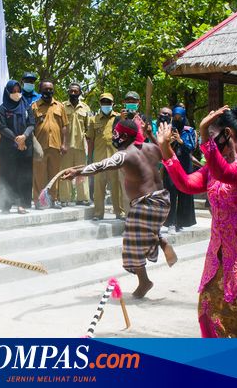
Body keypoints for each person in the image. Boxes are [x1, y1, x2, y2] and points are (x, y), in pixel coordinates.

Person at [156, 106, 237, 338]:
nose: (209, 141)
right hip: (219, 254)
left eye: (211, 135)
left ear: (226, 134)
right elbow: (187, 184)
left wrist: (201, 129)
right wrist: (164, 148)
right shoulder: (213, 167)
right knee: (209, 313)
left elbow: (226, 174)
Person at [63, 118, 177, 298]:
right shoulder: (150, 148)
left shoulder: (125, 154)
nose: (113, 136)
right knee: (143, 229)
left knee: (131, 244)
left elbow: (102, 165)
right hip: (162, 202)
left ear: (124, 136)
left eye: (115, 133)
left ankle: (144, 282)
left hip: (145, 205)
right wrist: (152, 137)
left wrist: (78, 172)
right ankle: (161, 241)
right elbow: (165, 151)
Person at [0, 80, 34, 214]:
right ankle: (6, 204)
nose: (16, 93)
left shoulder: (26, 106)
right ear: (8, 92)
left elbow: (31, 124)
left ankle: (21, 204)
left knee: (23, 176)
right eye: (13, 91)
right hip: (8, 148)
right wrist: (16, 139)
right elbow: (2, 127)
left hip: (25, 147)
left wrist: (24, 136)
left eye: (18, 90)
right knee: (7, 175)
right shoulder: (2, 108)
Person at [86, 93, 124, 220]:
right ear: (100, 104)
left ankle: (119, 212)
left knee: (116, 186)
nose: (106, 104)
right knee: (98, 187)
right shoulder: (93, 119)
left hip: (115, 158)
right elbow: (90, 140)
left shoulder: (119, 118)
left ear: (113, 103)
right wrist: (89, 159)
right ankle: (98, 213)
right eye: (103, 102)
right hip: (99, 158)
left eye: (108, 102)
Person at [31, 80, 68, 210]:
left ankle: (53, 200)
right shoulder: (34, 106)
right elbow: (31, 127)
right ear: (40, 90)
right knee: (39, 175)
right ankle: (38, 201)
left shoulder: (60, 106)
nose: (48, 91)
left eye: (51, 89)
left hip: (56, 146)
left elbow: (64, 126)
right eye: (45, 89)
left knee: (54, 175)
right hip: (40, 147)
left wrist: (64, 143)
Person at [161, 106, 197, 233]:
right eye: (174, 117)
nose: (177, 119)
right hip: (171, 164)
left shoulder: (190, 130)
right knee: (171, 192)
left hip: (185, 165)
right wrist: (169, 141)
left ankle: (181, 221)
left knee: (184, 193)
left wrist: (180, 141)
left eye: (179, 117)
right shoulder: (167, 129)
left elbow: (192, 147)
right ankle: (170, 222)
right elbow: (161, 147)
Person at [60, 82, 91, 207]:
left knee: (81, 172)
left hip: (80, 145)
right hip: (66, 146)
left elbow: (88, 128)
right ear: (68, 92)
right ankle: (64, 198)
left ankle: (82, 198)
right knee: (64, 172)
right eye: (71, 91)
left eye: (76, 91)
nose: (73, 93)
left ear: (80, 93)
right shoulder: (62, 106)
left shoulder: (85, 108)